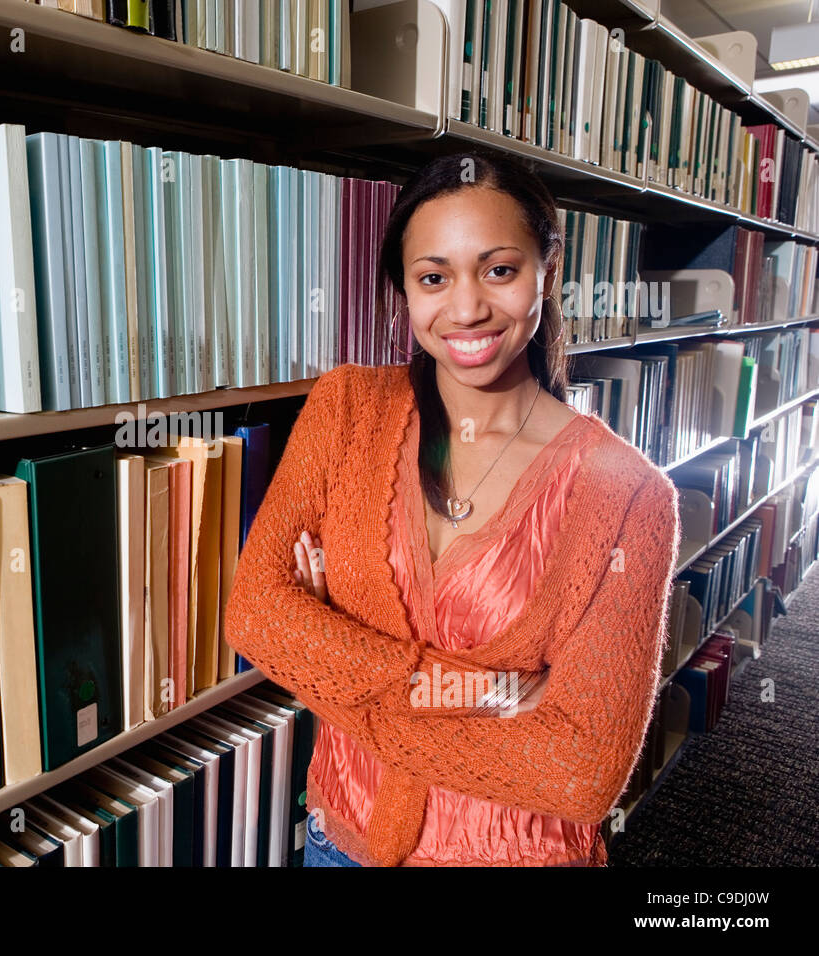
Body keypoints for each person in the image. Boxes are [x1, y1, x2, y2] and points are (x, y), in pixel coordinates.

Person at [223, 150, 682, 867]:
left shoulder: (628, 495)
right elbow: (254, 614)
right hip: (340, 839)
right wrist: (487, 689)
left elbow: (580, 772)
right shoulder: (347, 409)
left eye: (499, 270)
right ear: (405, 290)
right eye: (433, 278)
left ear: (548, 270)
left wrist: (329, 655)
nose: (466, 307)